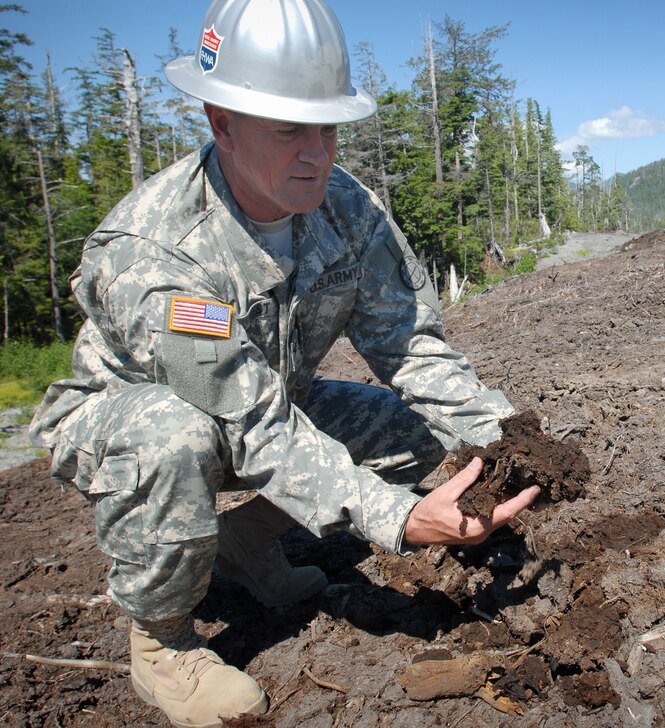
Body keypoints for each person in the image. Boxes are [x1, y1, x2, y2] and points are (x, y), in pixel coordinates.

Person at [29, 0, 538, 725]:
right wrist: (396, 518)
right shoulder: (154, 254)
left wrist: (509, 441)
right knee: (174, 437)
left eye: (328, 126)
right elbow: (248, 418)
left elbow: (413, 348)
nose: (318, 153)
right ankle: (162, 640)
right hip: (136, 426)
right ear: (222, 123)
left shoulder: (347, 211)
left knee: (411, 428)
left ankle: (244, 542)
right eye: (290, 128)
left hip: (265, 405)